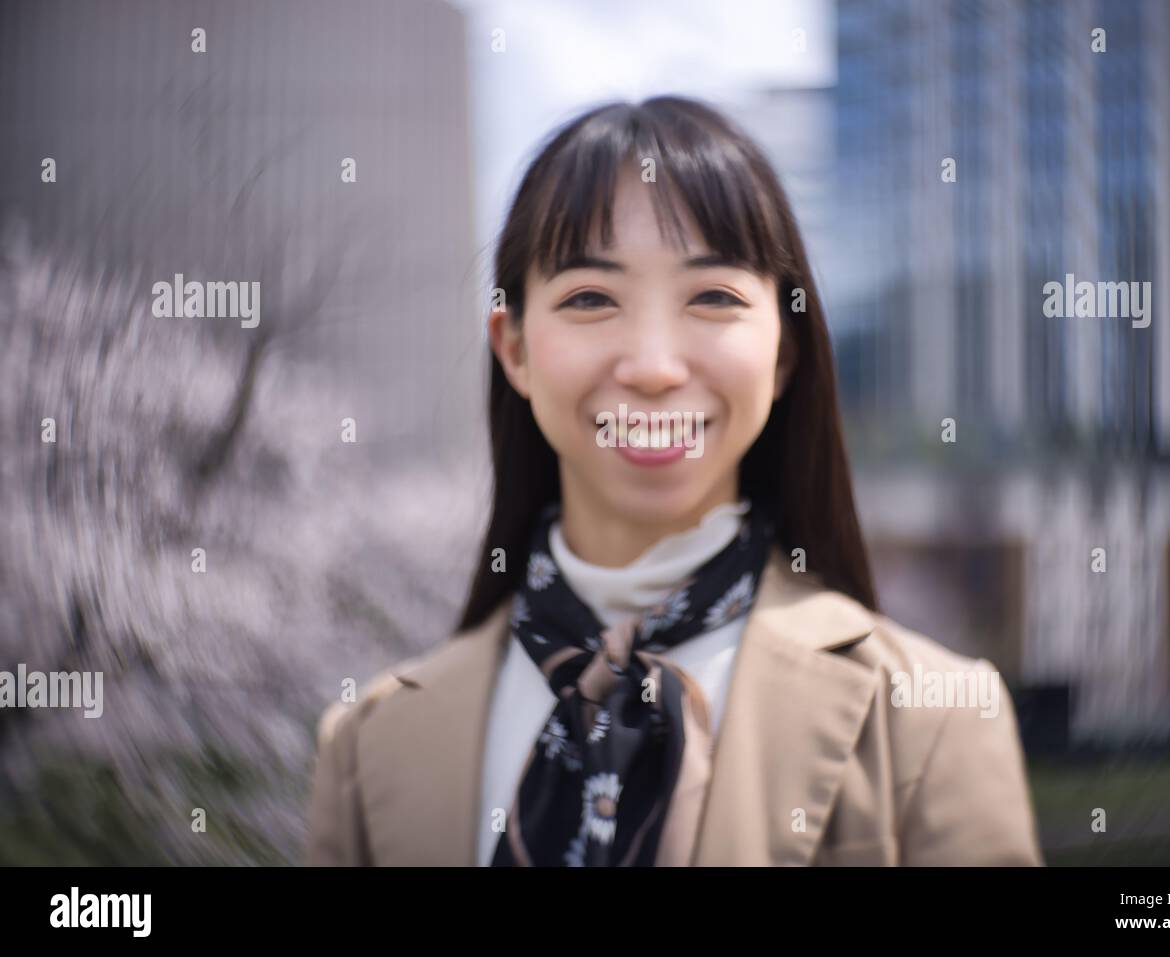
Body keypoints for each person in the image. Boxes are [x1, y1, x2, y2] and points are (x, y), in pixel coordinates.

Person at [305, 96, 1043, 866]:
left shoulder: (929, 717)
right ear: (514, 346)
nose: (654, 366)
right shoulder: (369, 744)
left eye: (713, 297)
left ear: (784, 351)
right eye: (590, 298)